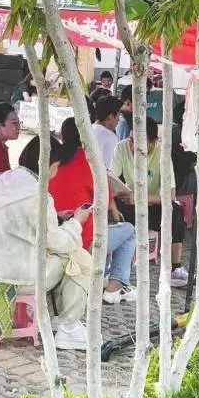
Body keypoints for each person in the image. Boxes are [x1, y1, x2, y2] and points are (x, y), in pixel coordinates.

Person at [0, 136, 93, 351]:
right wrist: (76, 222)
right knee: (79, 258)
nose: (57, 171)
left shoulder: (5, 180)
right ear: (47, 164)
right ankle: (69, 327)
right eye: (56, 166)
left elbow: (20, 223)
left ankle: (60, 320)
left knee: (66, 255)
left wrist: (57, 218)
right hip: (15, 276)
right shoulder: (38, 194)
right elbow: (58, 243)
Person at [49, 117, 137, 305]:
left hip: (54, 238)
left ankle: (104, 276)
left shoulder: (53, 161)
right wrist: (114, 210)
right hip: (82, 242)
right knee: (129, 230)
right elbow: (106, 199)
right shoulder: (90, 162)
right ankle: (115, 286)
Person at [110, 117, 189, 287]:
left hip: (153, 205)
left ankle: (175, 267)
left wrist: (140, 198)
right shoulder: (121, 147)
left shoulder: (162, 154)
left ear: (153, 141)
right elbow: (111, 181)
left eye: (139, 143)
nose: (132, 146)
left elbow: (170, 195)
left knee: (175, 211)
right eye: (131, 139)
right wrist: (116, 203)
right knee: (110, 207)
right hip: (130, 205)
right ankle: (111, 266)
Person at [93, 96, 122, 170]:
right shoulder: (110, 137)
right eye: (118, 116)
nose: (118, 120)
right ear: (110, 117)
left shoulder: (89, 129)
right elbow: (112, 170)